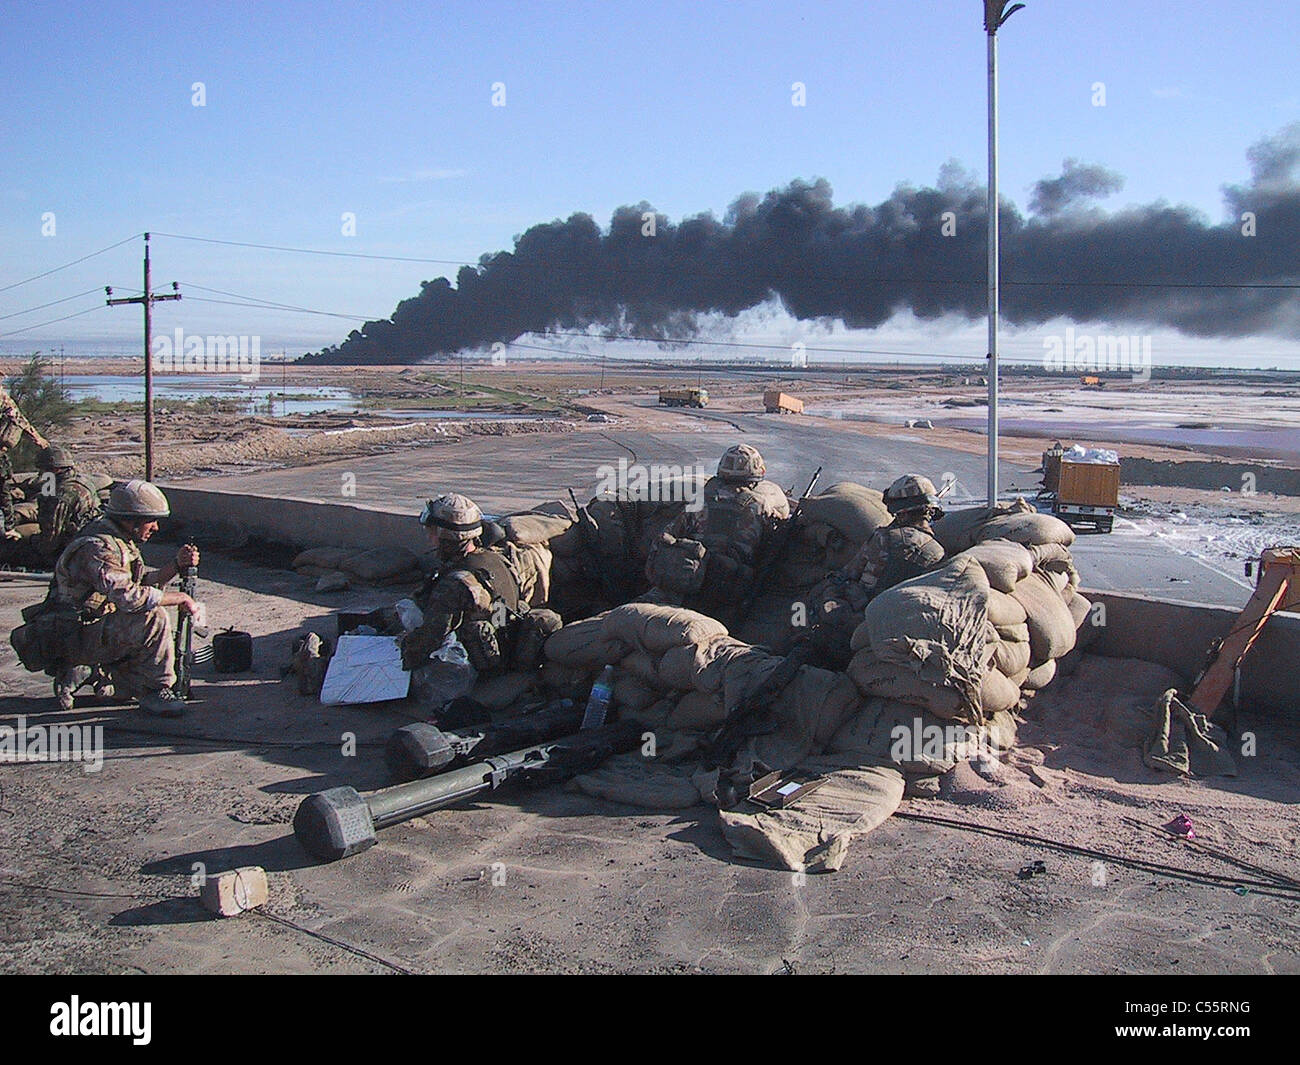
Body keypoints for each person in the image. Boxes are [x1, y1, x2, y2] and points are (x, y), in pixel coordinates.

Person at [45, 479, 199, 715]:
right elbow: (130, 596)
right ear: (131, 520)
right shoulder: (97, 547)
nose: (156, 527)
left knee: (124, 691)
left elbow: (136, 582)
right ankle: (156, 690)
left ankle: (90, 672)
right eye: (151, 520)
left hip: (92, 627)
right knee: (154, 617)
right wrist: (178, 598)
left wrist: (176, 566)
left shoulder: (117, 540)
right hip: (73, 633)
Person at [400, 493, 559, 674]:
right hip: (509, 643)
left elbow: (430, 638)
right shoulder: (498, 559)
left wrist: (404, 647)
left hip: (486, 662)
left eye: (432, 531)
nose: (429, 537)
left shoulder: (456, 583)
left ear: (444, 535)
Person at [809, 474, 948, 667]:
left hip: (861, 623)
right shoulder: (939, 552)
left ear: (901, 512)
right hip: (900, 630)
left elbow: (848, 574)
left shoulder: (884, 538)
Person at [645, 444, 790, 612]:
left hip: (690, 577)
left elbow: (670, 533)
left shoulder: (700, 499)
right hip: (728, 587)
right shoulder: (760, 505)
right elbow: (771, 543)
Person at [34, 445, 102, 560]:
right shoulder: (83, 482)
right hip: (85, 540)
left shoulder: (60, 496)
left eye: (42, 470)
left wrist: (32, 544)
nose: (40, 474)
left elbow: (50, 542)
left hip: (68, 550)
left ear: (54, 469)